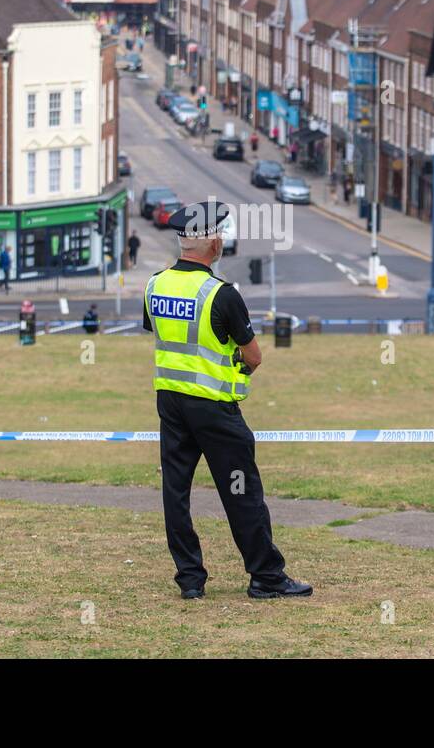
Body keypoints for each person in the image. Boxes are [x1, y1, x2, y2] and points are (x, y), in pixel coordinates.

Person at [144, 200, 312, 601]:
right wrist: (234, 363)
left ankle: (189, 579)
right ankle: (266, 577)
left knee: (176, 490)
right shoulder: (221, 294)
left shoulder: (154, 284)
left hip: (170, 402)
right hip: (214, 407)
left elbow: (163, 334)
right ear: (214, 243)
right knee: (241, 491)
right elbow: (253, 356)